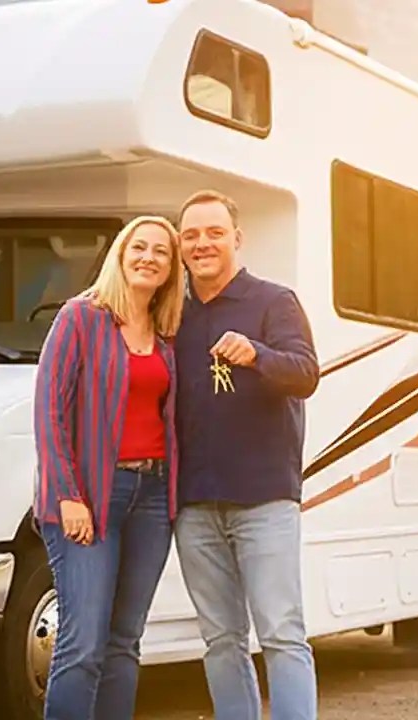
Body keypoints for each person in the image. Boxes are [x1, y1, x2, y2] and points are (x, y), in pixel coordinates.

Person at [173, 189, 320, 720]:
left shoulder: (273, 301)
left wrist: (257, 354)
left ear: (237, 238)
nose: (202, 243)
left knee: (282, 633)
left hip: (265, 500)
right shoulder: (175, 315)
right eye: (190, 235)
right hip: (194, 505)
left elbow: (306, 373)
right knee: (221, 639)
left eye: (214, 232)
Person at [32, 215, 187, 720]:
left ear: (170, 267)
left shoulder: (167, 333)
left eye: (160, 251)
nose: (148, 257)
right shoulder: (81, 317)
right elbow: (49, 411)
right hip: (92, 495)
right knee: (83, 643)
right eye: (138, 247)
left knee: (125, 641)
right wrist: (66, 495)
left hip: (153, 496)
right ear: (120, 256)